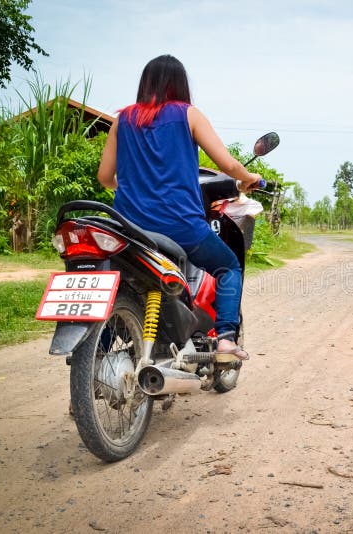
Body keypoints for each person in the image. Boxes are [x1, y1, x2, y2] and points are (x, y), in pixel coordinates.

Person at [97, 54, 261, 360]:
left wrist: (133, 186)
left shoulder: (122, 120)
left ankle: (98, 349)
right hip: (180, 226)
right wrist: (249, 178)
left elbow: (105, 177)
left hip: (129, 228)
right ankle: (226, 339)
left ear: (145, 83)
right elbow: (227, 164)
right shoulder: (189, 115)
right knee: (228, 267)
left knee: (124, 283)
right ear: (180, 84)